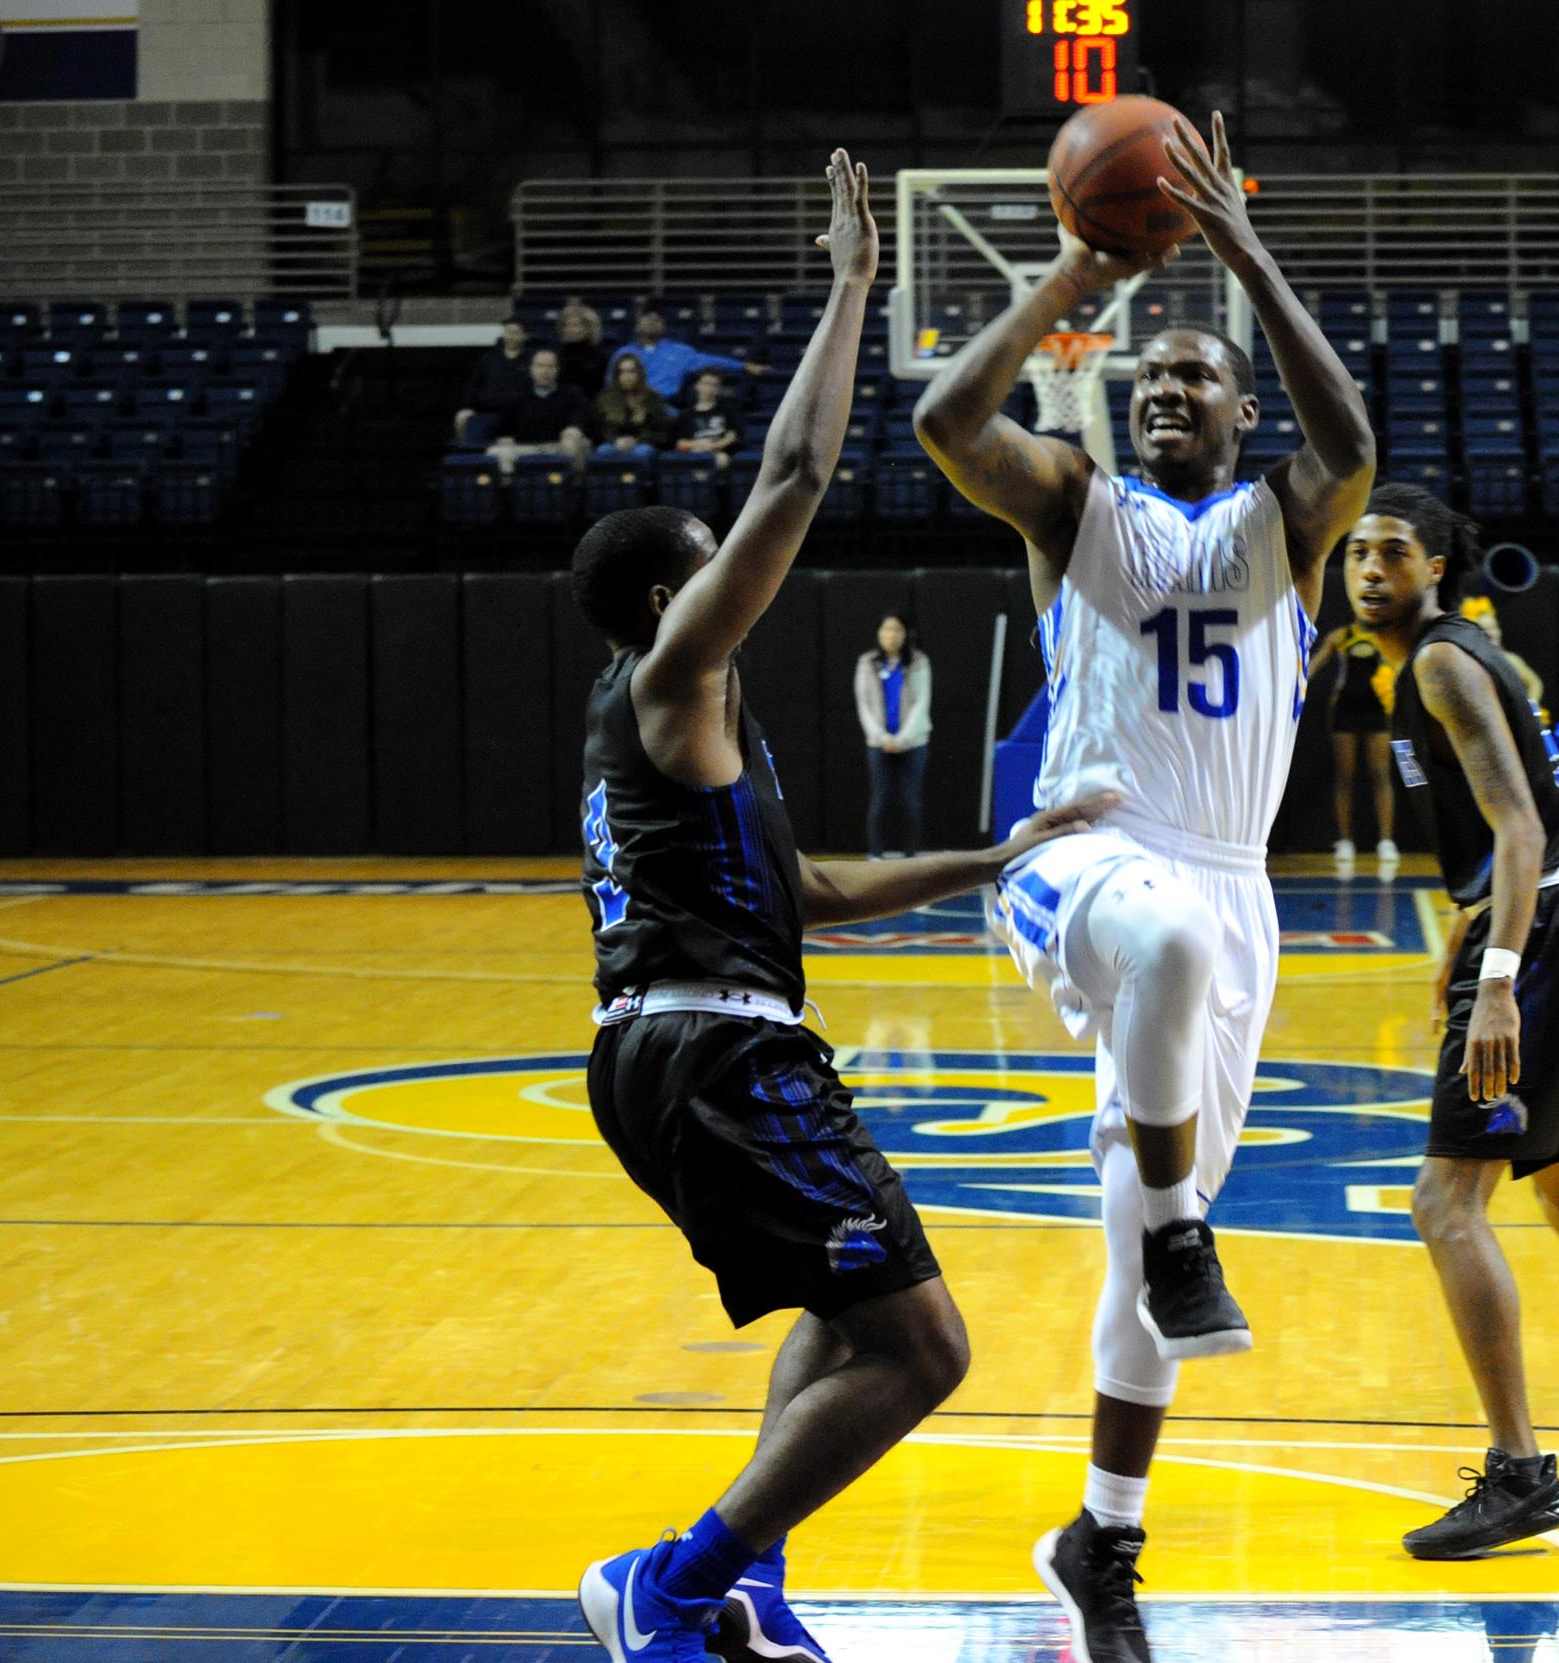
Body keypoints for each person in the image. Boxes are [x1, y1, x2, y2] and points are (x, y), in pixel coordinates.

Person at [569, 153, 1109, 1663]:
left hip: (687, 1041)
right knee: (928, 1343)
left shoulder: (694, 735)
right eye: (712, 561)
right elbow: (794, 479)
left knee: (844, 1299)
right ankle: (675, 1577)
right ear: (675, 597)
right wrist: (856, 283)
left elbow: (816, 893)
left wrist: (999, 853)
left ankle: (745, 1576)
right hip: (717, 1054)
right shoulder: (672, 678)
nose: (744, 570)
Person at [913, 110, 1373, 1663]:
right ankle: (1187, 1229)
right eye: (1150, 376)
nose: (1169, 390)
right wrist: (1071, 269)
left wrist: (1243, 248)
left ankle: (1101, 1535)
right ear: (1123, 401)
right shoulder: (1073, 507)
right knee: (1163, 962)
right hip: (1083, 857)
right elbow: (942, 423)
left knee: (1132, 1269)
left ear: (1241, 412)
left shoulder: (1286, 531)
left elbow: (1355, 444)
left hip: (1235, 901)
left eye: (1199, 377)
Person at [1342, 483, 1559, 1560]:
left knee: (1444, 1203)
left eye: (1393, 550)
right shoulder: (1443, 661)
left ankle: (1520, 1473)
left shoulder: (1441, 660)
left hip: (1544, 929)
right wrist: (1470, 932)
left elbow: (1519, 824)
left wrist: (1492, 978)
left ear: (1436, 567)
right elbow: (1517, 835)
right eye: (1357, 551)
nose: (1369, 568)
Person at [1307, 615, 1400, 868]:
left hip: (1377, 708)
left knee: (1381, 773)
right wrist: (1295, 685)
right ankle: (1345, 840)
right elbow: (1314, 665)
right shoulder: (1341, 636)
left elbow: (1403, 664)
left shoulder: (1386, 636)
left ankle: (1386, 841)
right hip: (1345, 709)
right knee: (1344, 775)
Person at [855, 615, 932, 858]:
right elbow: (863, 704)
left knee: (911, 802)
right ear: (879, 633)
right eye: (887, 629)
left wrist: (902, 739)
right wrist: (881, 737)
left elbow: (921, 702)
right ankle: (876, 854)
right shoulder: (867, 663)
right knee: (880, 802)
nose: (892, 635)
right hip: (878, 745)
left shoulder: (919, 662)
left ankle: (911, 856)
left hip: (913, 743)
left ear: (905, 634)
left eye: (897, 629)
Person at [612, 302, 745, 402]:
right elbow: (611, 384)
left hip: (665, 407)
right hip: (630, 405)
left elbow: (709, 361)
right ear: (638, 324)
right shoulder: (623, 353)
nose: (652, 322)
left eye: (657, 319)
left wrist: (743, 365)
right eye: (648, 318)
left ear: (664, 327)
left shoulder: (680, 351)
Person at [491, 347, 591, 475]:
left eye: (550, 367)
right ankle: (514, 492)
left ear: (558, 370)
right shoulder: (516, 395)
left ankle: (573, 489)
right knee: (496, 453)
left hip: (559, 446)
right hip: (525, 447)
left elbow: (580, 418)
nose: (545, 371)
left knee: (578, 444)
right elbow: (503, 429)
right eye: (540, 366)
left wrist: (574, 429)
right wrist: (505, 438)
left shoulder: (572, 394)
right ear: (531, 369)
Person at [456, 317, 536, 443]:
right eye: (508, 332)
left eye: (516, 333)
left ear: (525, 336)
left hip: (519, 414)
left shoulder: (533, 360)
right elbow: (474, 386)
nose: (511, 336)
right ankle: (467, 454)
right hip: (488, 411)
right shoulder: (488, 359)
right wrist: (470, 406)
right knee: (462, 417)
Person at [597, 354, 677, 455]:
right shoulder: (605, 399)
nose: (626, 376)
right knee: (604, 450)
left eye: (631, 372)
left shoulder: (653, 398)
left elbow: (660, 432)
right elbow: (600, 429)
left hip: (643, 444)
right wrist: (615, 441)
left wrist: (636, 441)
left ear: (639, 374)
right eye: (621, 372)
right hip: (614, 444)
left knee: (642, 451)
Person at [675, 369, 740, 470]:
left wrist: (714, 448)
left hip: (721, 455)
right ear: (697, 386)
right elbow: (680, 443)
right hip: (694, 457)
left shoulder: (728, 411)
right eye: (706, 383)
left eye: (714, 385)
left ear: (719, 389)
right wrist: (700, 447)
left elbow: (732, 437)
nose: (709, 388)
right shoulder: (685, 415)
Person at [557, 303, 612, 396]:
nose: (570, 329)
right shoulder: (557, 355)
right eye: (567, 325)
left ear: (588, 328)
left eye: (575, 325)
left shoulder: (599, 357)